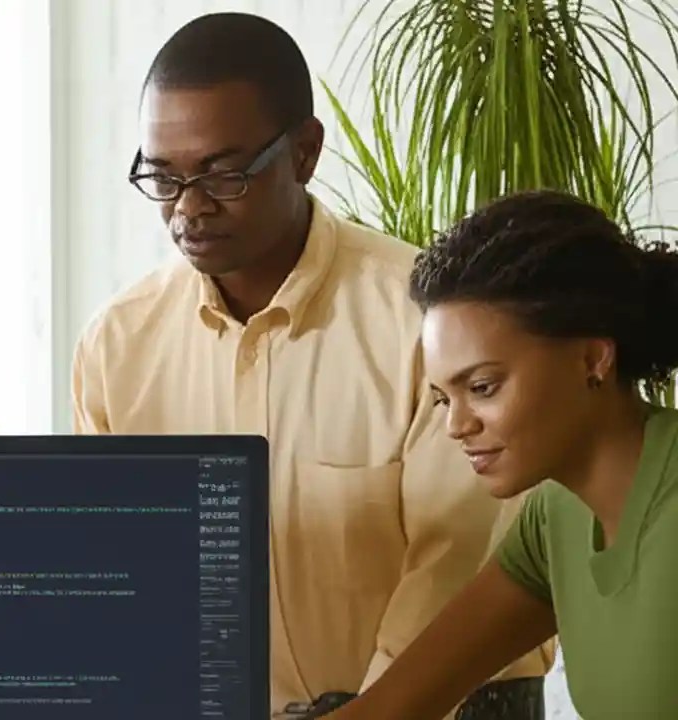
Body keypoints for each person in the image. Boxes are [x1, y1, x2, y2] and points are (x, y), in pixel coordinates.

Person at [69, 12, 552, 717]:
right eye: (163, 178)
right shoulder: (118, 346)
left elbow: (457, 569)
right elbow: (117, 573)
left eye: (223, 174)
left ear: (304, 152)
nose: (188, 209)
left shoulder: (426, 322)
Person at [325, 190, 678, 719]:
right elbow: (388, 711)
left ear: (592, 358)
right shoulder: (554, 516)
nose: (456, 425)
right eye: (446, 397)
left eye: (484, 387)